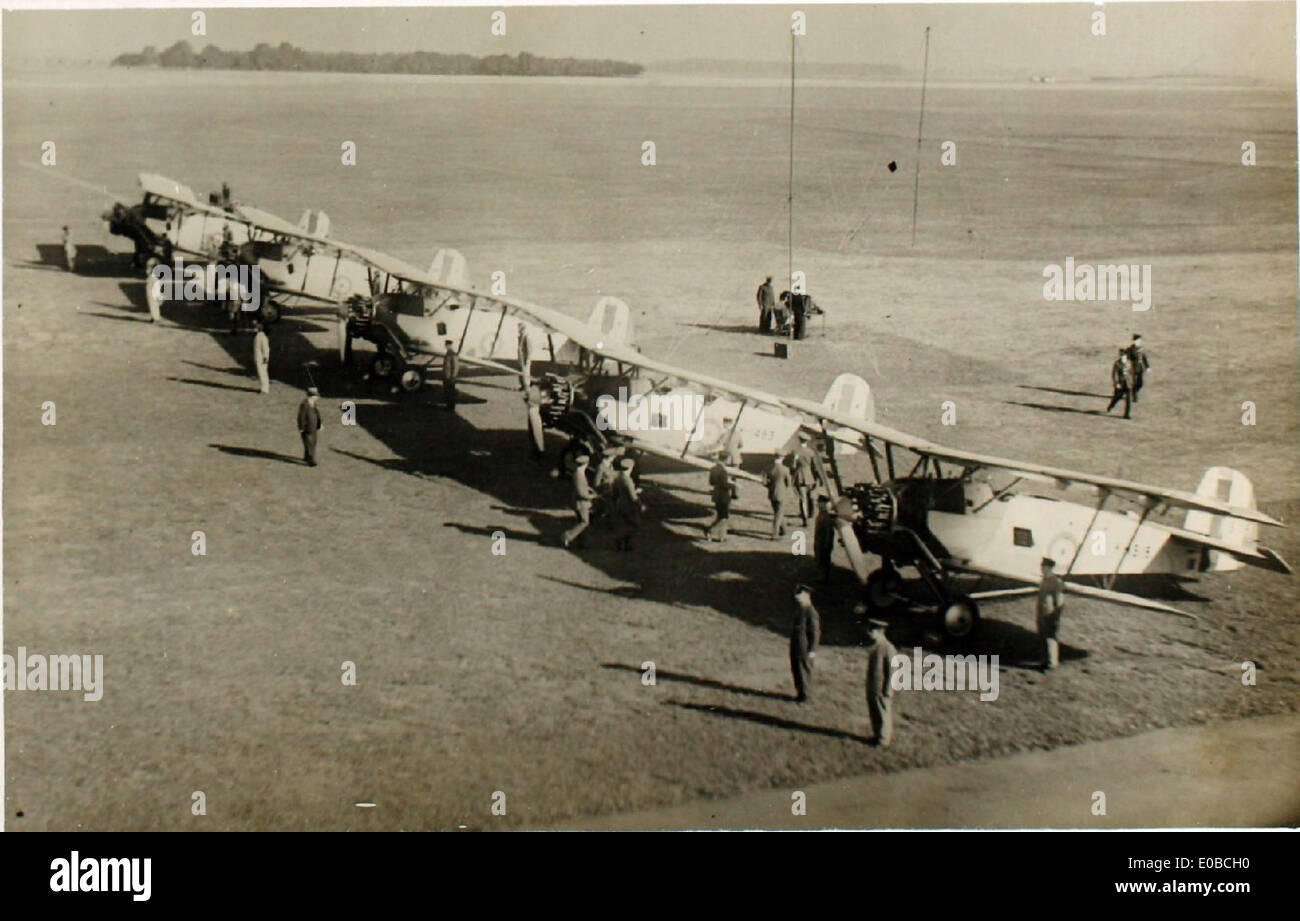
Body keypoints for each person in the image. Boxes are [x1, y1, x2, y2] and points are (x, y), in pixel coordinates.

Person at [864, 618, 897, 746]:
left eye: (872, 631)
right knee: (874, 711)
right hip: (873, 686)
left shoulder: (888, 648)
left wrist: (888, 689)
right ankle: (877, 734)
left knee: (883, 713)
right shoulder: (875, 645)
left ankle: (883, 739)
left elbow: (891, 671)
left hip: (882, 688)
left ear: (880, 632)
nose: (869, 633)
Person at [789, 584, 821, 703]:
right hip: (796, 645)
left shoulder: (811, 612)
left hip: (804, 647)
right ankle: (800, 693)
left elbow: (815, 632)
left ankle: (805, 696)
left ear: (807, 596)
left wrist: (812, 649)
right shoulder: (800, 609)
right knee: (796, 669)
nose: (797, 597)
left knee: (803, 670)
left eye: (800, 595)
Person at [1036, 557, 1066, 671]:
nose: (1041, 569)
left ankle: (1052, 662)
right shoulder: (1043, 580)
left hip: (1050, 614)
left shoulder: (1056, 582)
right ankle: (1044, 661)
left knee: (1051, 638)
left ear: (1049, 568)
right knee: (1042, 637)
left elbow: (1060, 601)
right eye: (1041, 567)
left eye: (1043, 567)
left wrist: (1056, 615)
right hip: (1041, 613)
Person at [562, 454, 596, 549]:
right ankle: (568, 536)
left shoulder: (578, 473)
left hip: (580, 502)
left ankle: (582, 543)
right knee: (584, 522)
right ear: (586, 464)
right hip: (582, 503)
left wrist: (589, 488)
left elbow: (582, 487)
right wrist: (591, 496)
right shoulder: (579, 475)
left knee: (581, 521)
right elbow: (581, 493)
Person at [611, 456, 642, 551]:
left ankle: (627, 544)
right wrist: (640, 504)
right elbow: (633, 497)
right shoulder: (628, 481)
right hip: (628, 505)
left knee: (625, 524)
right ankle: (619, 539)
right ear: (630, 468)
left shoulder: (618, 477)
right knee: (634, 525)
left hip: (620, 503)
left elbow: (615, 491)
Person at [763, 455, 792, 540]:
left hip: (772, 493)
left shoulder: (768, 468)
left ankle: (783, 529)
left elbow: (764, 482)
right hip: (781, 493)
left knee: (778, 511)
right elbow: (788, 483)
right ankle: (774, 534)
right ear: (782, 458)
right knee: (778, 514)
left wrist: (770, 485)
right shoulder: (785, 469)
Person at [706, 458, 735, 542]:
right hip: (723, 497)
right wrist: (733, 485)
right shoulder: (723, 471)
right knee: (724, 518)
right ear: (725, 460)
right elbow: (724, 485)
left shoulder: (713, 469)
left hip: (716, 496)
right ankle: (710, 531)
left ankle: (721, 537)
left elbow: (711, 482)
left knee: (720, 516)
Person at [792, 435, 817, 525]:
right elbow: (814, 467)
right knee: (810, 496)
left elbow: (793, 466)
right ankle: (812, 514)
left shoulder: (796, 452)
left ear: (799, 440)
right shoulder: (811, 452)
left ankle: (805, 519)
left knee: (803, 498)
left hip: (800, 476)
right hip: (809, 476)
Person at [813, 494, 837, 581]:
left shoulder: (826, 517)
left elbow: (827, 532)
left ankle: (824, 577)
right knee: (822, 559)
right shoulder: (823, 514)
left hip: (823, 543)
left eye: (820, 503)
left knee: (823, 560)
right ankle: (823, 576)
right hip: (820, 542)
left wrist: (826, 544)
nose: (818, 505)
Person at [297, 386, 323, 466]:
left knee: (313, 442)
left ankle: (306, 456)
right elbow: (301, 417)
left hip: (314, 427)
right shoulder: (304, 405)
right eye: (316, 396)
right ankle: (311, 460)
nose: (317, 397)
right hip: (307, 428)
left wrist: (320, 424)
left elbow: (317, 414)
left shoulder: (313, 403)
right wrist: (301, 427)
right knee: (309, 443)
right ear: (311, 396)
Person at [1105, 346, 1133, 419]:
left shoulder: (1128, 363)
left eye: (1125, 357)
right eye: (1122, 357)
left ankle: (1126, 414)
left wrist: (1132, 381)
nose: (1124, 358)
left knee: (1128, 399)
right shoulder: (1117, 364)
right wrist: (1116, 383)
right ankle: (1111, 406)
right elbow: (1114, 374)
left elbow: (1130, 372)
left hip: (1128, 384)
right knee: (1117, 398)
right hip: (1121, 384)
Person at [1126, 334, 1150, 403]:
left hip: (1140, 368)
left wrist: (1147, 366)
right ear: (1134, 341)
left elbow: (1144, 357)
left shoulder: (1141, 349)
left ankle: (1133, 392)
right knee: (1135, 383)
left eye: (1139, 341)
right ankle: (1134, 396)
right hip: (1133, 368)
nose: (1139, 342)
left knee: (1140, 384)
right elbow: (1127, 359)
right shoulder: (1130, 349)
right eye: (1137, 341)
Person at [252, 321, 271, 394]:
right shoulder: (258, 336)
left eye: (256, 327)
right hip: (259, 358)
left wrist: (266, 357)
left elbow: (266, 348)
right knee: (261, 373)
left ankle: (265, 389)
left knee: (262, 373)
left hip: (262, 359)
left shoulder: (262, 337)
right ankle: (263, 388)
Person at [442, 340, 460, 412]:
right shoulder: (448, 353)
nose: (446, 346)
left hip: (450, 378)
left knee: (451, 393)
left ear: (450, 345)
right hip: (446, 377)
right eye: (446, 345)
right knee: (447, 392)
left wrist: (453, 377)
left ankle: (451, 407)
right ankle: (448, 406)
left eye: (447, 345)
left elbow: (456, 367)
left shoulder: (453, 354)